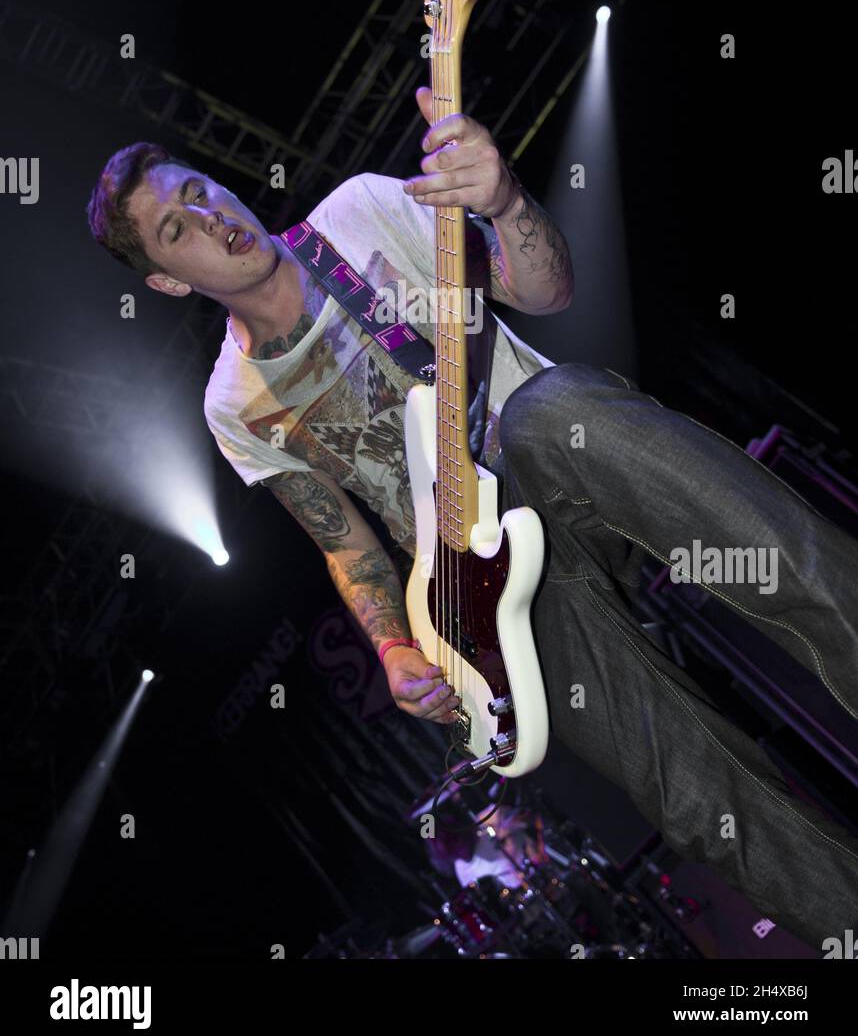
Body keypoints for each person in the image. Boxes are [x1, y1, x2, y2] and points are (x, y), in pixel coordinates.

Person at [87, 85, 858, 949]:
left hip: (562, 452)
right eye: (175, 230)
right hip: (486, 585)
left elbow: (547, 290)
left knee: (587, 441)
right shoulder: (233, 405)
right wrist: (392, 647)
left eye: (199, 191)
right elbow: (345, 545)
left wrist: (506, 202)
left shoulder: (356, 216)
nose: (210, 217)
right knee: (688, 791)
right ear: (163, 279)